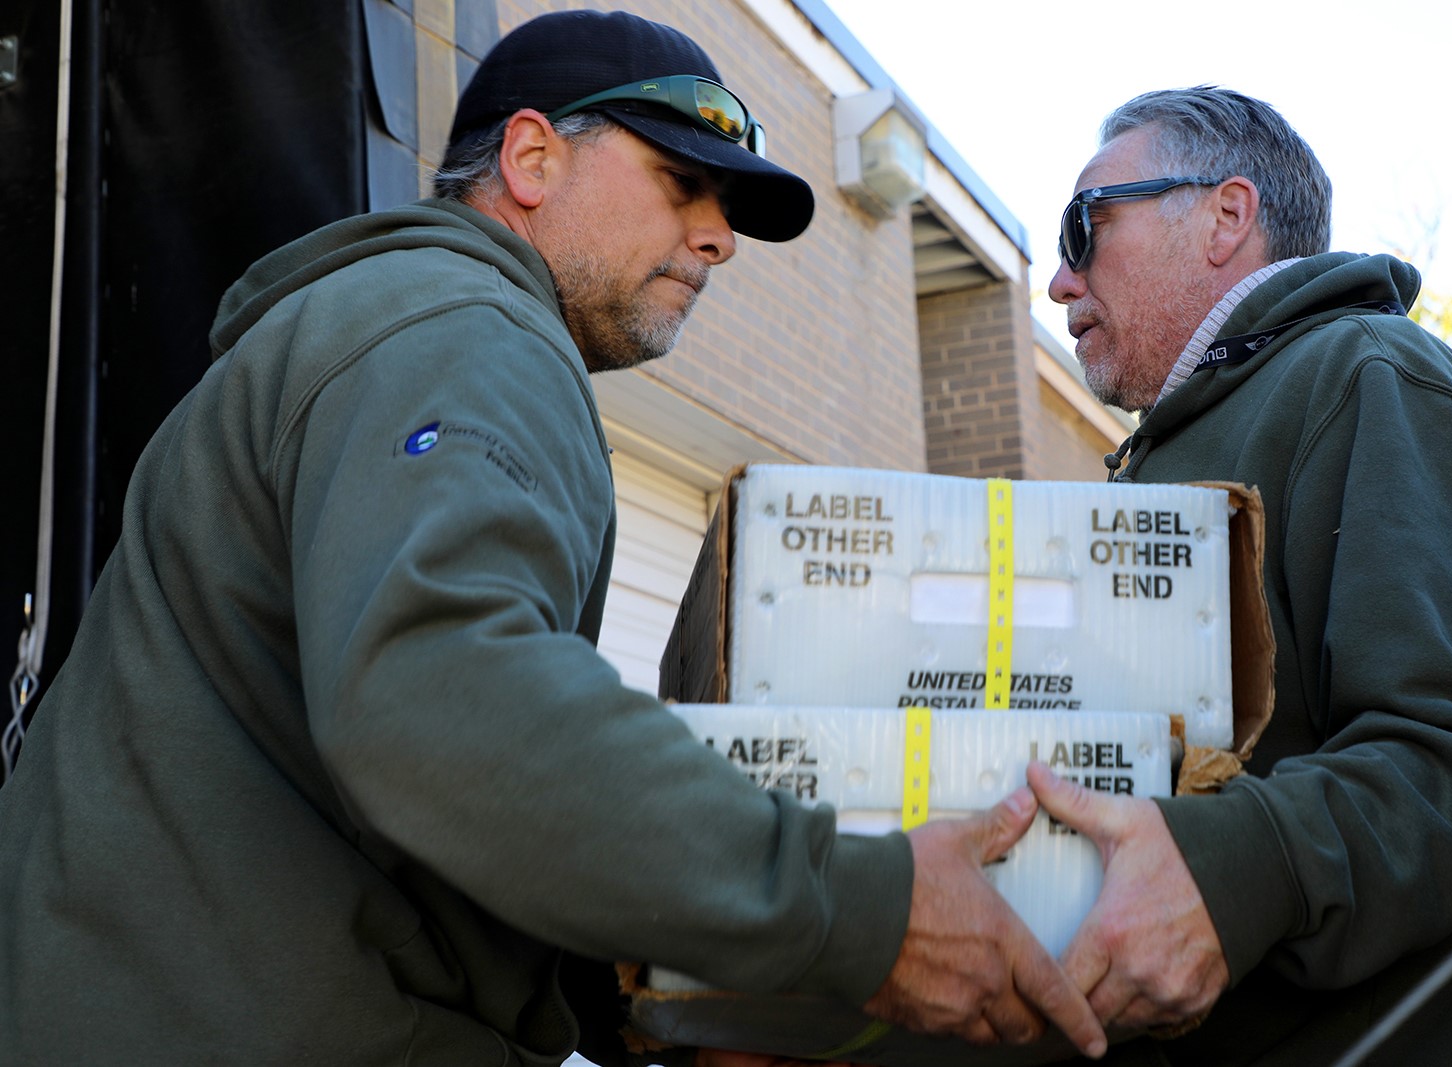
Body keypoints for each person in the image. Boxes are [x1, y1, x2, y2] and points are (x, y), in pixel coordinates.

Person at [0, 10, 1107, 1066]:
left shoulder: (382, 323)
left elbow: (418, 808)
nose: (718, 238)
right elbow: (444, 703)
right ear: (531, 160)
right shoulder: (471, 334)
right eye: (682, 183)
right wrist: (855, 911)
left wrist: (646, 990)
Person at [1027, 86, 1452, 1064]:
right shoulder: (1178, 446)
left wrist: (1226, 876)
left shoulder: (1372, 379)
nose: (1061, 280)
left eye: (1083, 226)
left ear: (1225, 215)